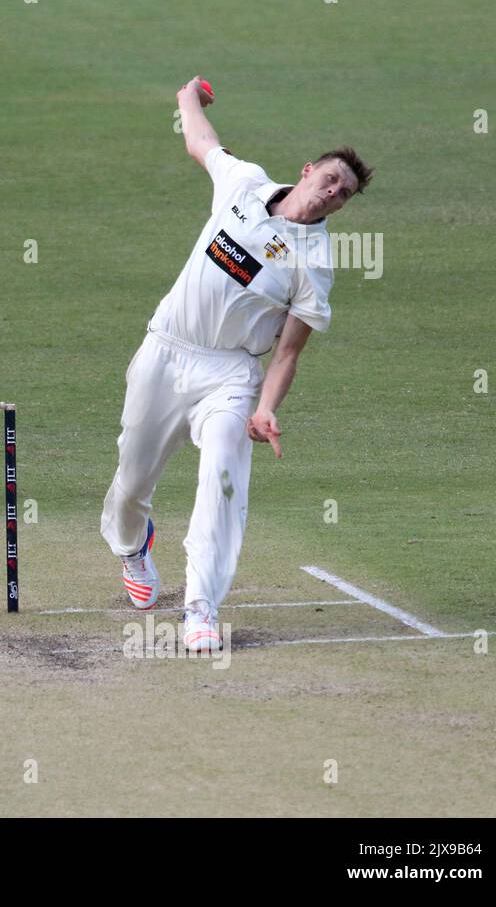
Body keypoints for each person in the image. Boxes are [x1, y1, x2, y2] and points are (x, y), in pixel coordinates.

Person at [100, 77, 373, 651]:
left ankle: (201, 607)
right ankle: (133, 546)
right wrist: (185, 99)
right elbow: (202, 144)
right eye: (329, 179)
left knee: (224, 475)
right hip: (167, 350)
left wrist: (267, 408)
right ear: (306, 171)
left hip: (231, 375)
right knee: (130, 483)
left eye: (343, 194)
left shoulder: (314, 264)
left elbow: (289, 350)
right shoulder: (245, 184)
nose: (331, 193)